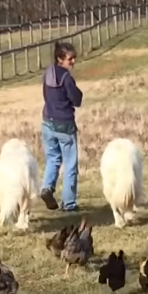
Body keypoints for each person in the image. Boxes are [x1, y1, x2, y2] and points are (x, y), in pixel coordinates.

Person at [39, 41, 84, 212]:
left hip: (47, 122)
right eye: (70, 59)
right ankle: (69, 204)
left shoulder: (47, 74)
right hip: (64, 124)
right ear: (60, 59)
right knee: (70, 163)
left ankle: (47, 188)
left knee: (53, 158)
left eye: (74, 59)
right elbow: (77, 100)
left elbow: (46, 95)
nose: (73, 62)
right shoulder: (66, 78)